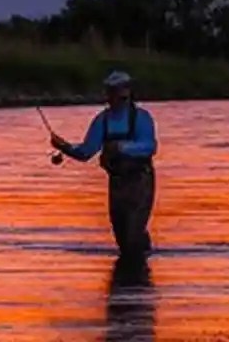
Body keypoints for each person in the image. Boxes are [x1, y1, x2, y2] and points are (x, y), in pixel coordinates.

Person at [50, 70, 158, 258]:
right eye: (114, 92)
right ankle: (137, 273)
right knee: (121, 234)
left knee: (133, 232)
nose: (118, 97)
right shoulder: (102, 120)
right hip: (116, 183)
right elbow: (86, 152)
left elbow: (150, 146)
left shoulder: (142, 117)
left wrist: (122, 147)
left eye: (122, 92)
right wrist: (64, 147)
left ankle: (139, 274)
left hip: (141, 181)